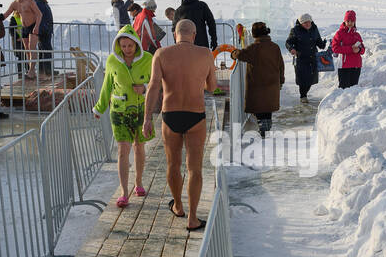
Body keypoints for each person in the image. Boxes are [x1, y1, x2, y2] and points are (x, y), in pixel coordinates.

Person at [143, 19, 218, 231]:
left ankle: (177, 205)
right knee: (194, 168)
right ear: (193, 35)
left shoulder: (161, 54)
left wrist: (147, 117)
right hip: (196, 115)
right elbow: (212, 87)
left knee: (173, 165)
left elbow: (153, 86)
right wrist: (197, 79)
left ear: (175, 34)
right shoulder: (205, 54)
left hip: (170, 115)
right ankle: (193, 218)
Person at [92, 26, 154, 208]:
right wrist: (99, 108)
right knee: (122, 150)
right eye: (124, 46)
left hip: (140, 110)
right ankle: (124, 192)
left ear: (136, 44)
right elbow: (106, 86)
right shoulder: (112, 60)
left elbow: (156, 82)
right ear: (118, 45)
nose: (127, 49)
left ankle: (139, 182)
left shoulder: (148, 59)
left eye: (130, 45)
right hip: (119, 111)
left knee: (139, 146)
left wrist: (144, 87)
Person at [232, 21, 285, 137]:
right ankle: (266, 128)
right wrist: (281, 80)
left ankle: (264, 132)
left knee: (260, 109)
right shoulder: (275, 47)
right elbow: (281, 65)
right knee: (267, 108)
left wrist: (233, 53)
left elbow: (241, 55)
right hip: (272, 83)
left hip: (258, 85)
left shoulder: (254, 48)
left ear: (255, 34)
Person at [2, 0, 42, 77]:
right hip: (24, 28)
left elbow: (39, 14)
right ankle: (31, 71)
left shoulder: (29, 1)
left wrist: (37, 26)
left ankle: (31, 71)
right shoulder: (14, 3)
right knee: (27, 50)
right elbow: (6, 14)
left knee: (32, 49)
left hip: (33, 26)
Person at [285, 13, 324, 101]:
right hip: (301, 58)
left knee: (311, 78)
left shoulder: (314, 29)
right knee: (302, 79)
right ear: (301, 23)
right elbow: (288, 42)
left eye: (308, 22)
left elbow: (318, 41)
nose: (307, 24)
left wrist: (323, 44)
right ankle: (303, 96)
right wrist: (292, 49)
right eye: (305, 23)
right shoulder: (295, 30)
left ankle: (305, 93)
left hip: (312, 58)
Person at [329, 9, 365, 89]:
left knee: (354, 90)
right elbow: (335, 48)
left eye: (352, 21)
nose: (350, 23)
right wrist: (350, 49)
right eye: (348, 21)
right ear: (344, 21)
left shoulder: (357, 35)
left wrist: (358, 50)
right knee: (343, 89)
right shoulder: (339, 34)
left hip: (356, 65)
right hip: (344, 66)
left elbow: (363, 50)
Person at [32, 0, 54, 74]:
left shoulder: (42, 2)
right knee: (47, 50)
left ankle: (42, 71)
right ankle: (47, 71)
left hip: (45, 29)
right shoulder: (39, 3)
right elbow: (39, 16)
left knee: (43, 50)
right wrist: (44, 27)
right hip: (43, 30)